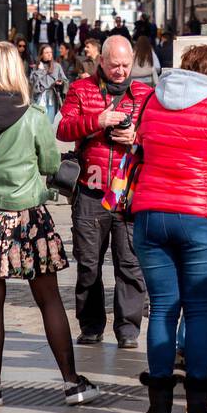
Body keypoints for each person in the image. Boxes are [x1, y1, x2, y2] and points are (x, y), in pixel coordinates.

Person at [0, 41, 100, 406]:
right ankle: (71, 382)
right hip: (29, 214)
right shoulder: (33, 116)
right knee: (48, 298)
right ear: (17, 71)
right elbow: (50, 164)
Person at [131, 43, 207, 413]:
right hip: (202, 218)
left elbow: (141, 151)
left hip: (151, 215)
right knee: (199, 311)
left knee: (163, 308)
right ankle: (198, 406)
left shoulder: (151, 102)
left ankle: (158, 406)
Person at [57, 34, 149, 348]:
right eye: (114, 65)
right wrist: (97, 120)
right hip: (90, 190)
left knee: (129, 265)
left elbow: (157, 138)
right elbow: (63, 128)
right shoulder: (81, 89)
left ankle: (128, 331)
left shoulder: (145, 95)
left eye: (126, 65)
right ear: (102, 62)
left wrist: (136, 138)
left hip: (128, 193)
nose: (121, 71)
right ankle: (91, 326)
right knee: (88, 264)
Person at [29, 44, 68, 124]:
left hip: (52, 98)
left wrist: (60, 83)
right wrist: (40, 70)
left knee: (50, 123)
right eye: (46, 52)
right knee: (38, 123)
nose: (49, 54)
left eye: (50, 52)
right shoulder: (36, 67)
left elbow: (65, 81)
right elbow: (33, 85)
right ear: (41, 55)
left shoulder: (57, 66)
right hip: (39, 98)